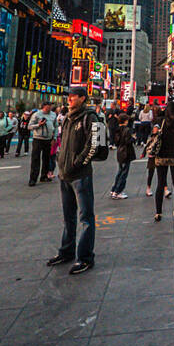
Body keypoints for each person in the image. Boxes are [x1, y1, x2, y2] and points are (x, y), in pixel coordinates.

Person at [46, 87, 99, 275]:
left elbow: (95, 143)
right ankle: (67, 251)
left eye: (73, 96)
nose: (69, 99)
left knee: (86, 217)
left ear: (82, 98)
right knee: (68, 216)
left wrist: (78, 163)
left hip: (80, 175)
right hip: (64, 174)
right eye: (68, 97)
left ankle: (85, 257)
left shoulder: (90, 117)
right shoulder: (68, 117)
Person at [151, 99, 174, 221]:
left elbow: (154, 133)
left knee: (160, 183)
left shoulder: (160, 121)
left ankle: (158, 213)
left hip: (161, 156)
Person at [108, 111, 136, 199]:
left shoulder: (117, 129)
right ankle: (118, 191)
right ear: (125, 121)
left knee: (120, 172)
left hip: (119, 152)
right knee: (124, 173)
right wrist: (133, 138)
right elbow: (128, 141)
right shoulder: (126, 130)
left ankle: (113, 189)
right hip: (126, 152)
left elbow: (116, 141)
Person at [28, 102, 55, 186]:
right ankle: (33, 178)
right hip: (38, 139)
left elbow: (56, 126)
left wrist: (54, 137)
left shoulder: (53, 114)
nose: (49, 109)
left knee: (46, 158)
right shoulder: (36, 114)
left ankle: (44, 176)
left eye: (50, 107)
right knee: (35, 159)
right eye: (47, 107)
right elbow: (29, 126)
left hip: (48, 139)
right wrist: (38, 124)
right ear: (43, 107)